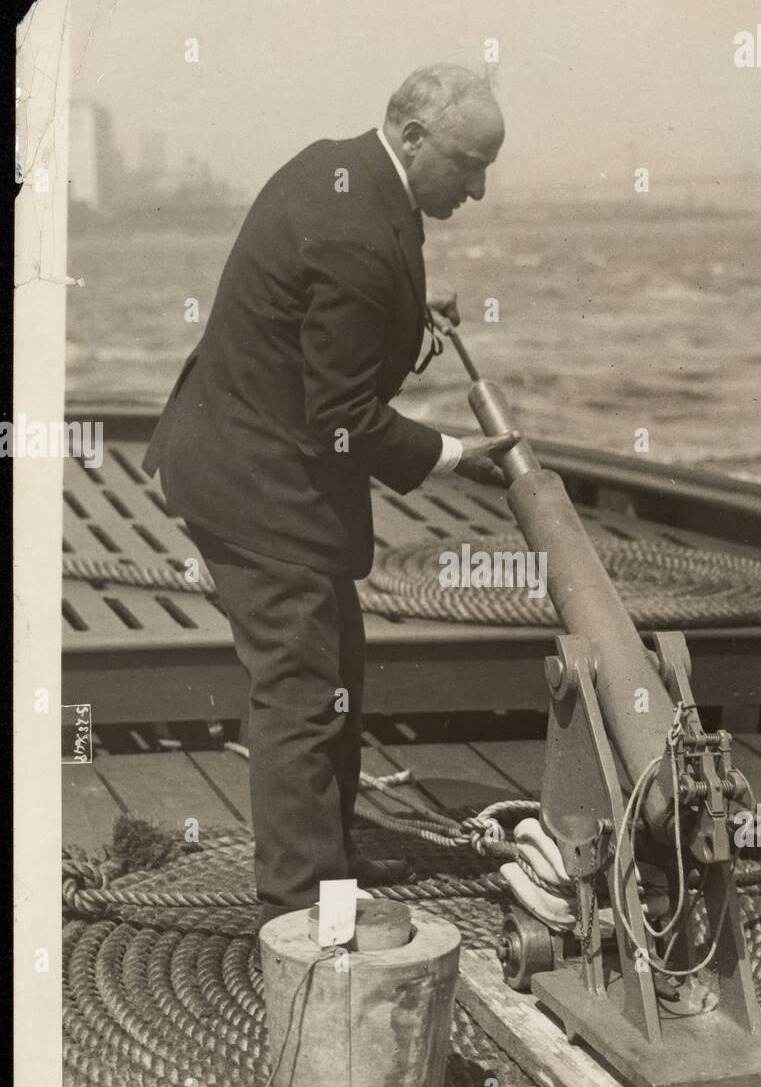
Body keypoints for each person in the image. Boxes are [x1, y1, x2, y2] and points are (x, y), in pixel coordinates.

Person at [142, 65, 517, 927]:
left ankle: (327, 861)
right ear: (414, 137)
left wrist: (411, 305)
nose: (480, 188)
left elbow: (330, 300)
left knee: (337, 668)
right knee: (303, 693)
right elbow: (343, 413)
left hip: (247, 450)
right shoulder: (354, 228)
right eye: (468, 165)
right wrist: (458, 456)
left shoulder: (342, 167)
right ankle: (302, 916)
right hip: (256, 484)